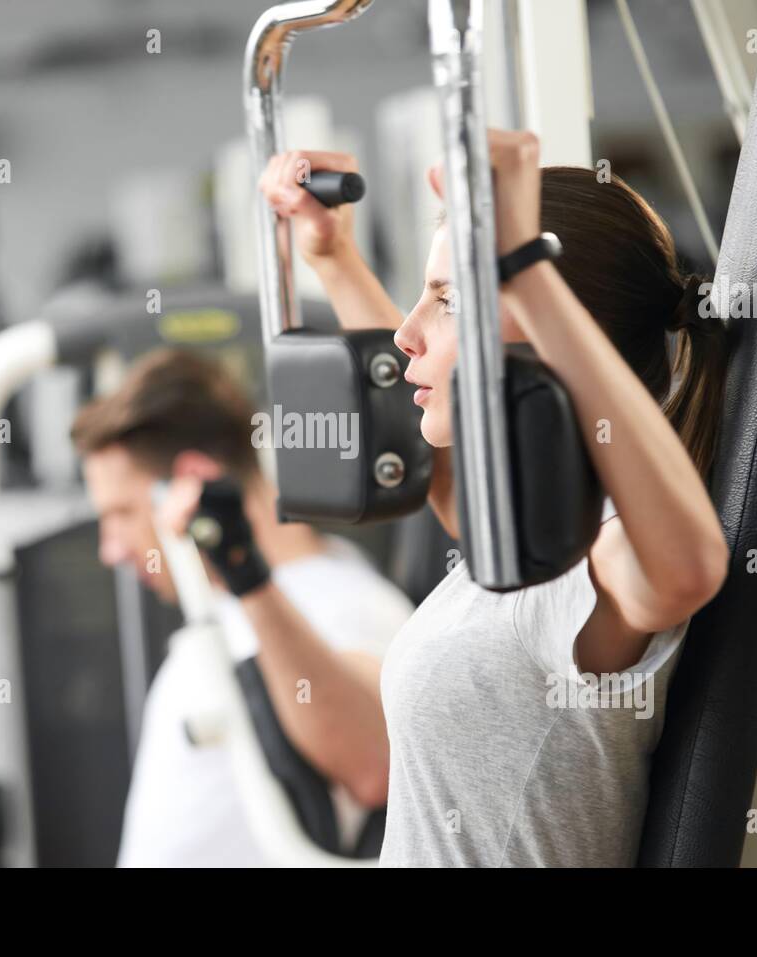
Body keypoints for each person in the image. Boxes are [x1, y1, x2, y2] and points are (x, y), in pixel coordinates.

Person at [257, 131, 730, 866]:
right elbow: (434, 467)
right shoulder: (533, 532)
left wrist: (524, 271)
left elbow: (688, 569)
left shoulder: (594, 556)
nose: (408, 334)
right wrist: (333, 256)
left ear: (551, 322)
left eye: (448, 301)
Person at [70, 348, 413, 867]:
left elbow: (378, 766)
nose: (110, 550)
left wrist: (250, 582)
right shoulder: (230, 611)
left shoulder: (346, 603)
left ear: (192, 481)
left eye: (122, 514)